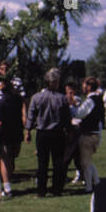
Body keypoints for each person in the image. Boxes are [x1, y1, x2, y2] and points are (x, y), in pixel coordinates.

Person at [26, 68, 69, 198]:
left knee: (42, 163)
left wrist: (28, 130)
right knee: (58, 162)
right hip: (57, 133)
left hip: (42, 133)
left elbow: (31, 115)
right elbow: (66, 118)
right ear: (54, 83)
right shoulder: (62, 98)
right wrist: (69, 130)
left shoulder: (36, 97)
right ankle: (57, 189)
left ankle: (41, 191)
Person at [0, 67, 25, 199]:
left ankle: (7, 187)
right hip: (17, 133)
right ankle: (8, 183)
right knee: (11, 159)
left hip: (5, 135)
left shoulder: (0, 103)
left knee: (4, 160)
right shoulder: (17, 100)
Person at [72, 77, 104, 193]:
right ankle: (97, 182)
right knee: (89, 161)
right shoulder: (99, 99)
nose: (83, 87)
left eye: (84, 85)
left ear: (89, 87)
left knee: (85, 163)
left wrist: (73, 105)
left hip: (88, 134)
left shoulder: (90, 100)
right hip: (96, 133)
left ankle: (89, 187)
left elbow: (79, 114)